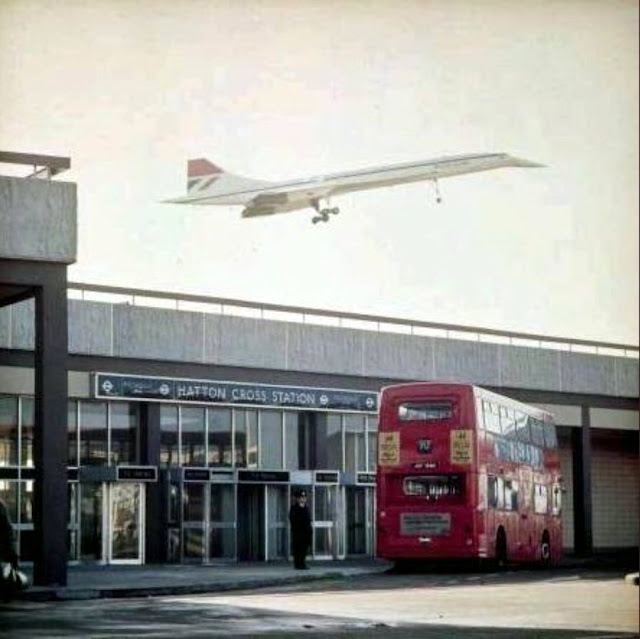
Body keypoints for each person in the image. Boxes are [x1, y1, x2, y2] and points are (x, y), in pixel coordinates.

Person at [0, 498, 19, 601]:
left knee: (6, 572)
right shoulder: (2, 507)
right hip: (5, 549)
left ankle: (7, 593)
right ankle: (7, 593)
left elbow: (8, 533)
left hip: (4, 549)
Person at [288, 489, 312, 570]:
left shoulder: (306, 508)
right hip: (298, 533)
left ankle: (303, 563)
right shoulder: (294, 508)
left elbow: (308, 520)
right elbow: (293, 519)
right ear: (297, 499)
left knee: (304, 549)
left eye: (304, 497)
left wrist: (310, 531)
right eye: (301, 497)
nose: (303, 499)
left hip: (306, 532)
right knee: (297, 549)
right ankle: (298, 564)